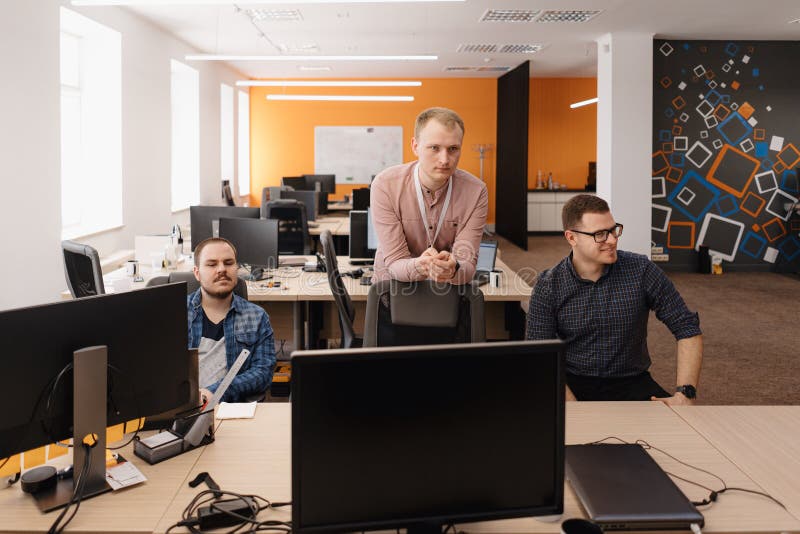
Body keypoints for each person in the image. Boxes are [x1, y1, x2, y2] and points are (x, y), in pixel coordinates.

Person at [526, 194, 703, 404]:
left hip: (632, 382)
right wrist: (571, 406)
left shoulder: (641, 270)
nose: (612, 240)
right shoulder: (548, 284)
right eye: (600, 234)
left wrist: (686, 394)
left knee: (681, 431)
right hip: (572, 384)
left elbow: (687, 328)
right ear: (572, 237)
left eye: (613, 230)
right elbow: (540, 352)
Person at [370, 107, 489, 284]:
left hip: (446, 293)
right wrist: (421, 266)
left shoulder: (476, 191)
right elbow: (395, 262)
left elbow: (467, 266)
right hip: (393, 290)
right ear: (415, 146)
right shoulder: (385, 185)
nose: (445, 160)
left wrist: (454, 269)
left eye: (453, 148)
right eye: (434, 148)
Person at [187, 237, 275, 403]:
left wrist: (215, 391)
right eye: (212, 264)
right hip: (185, 408)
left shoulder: (257, 317)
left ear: (237, 268)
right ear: (197, 273)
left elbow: (263, 372)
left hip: (232, 408)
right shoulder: (178, 314)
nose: (221, 269)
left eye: (228, 263)